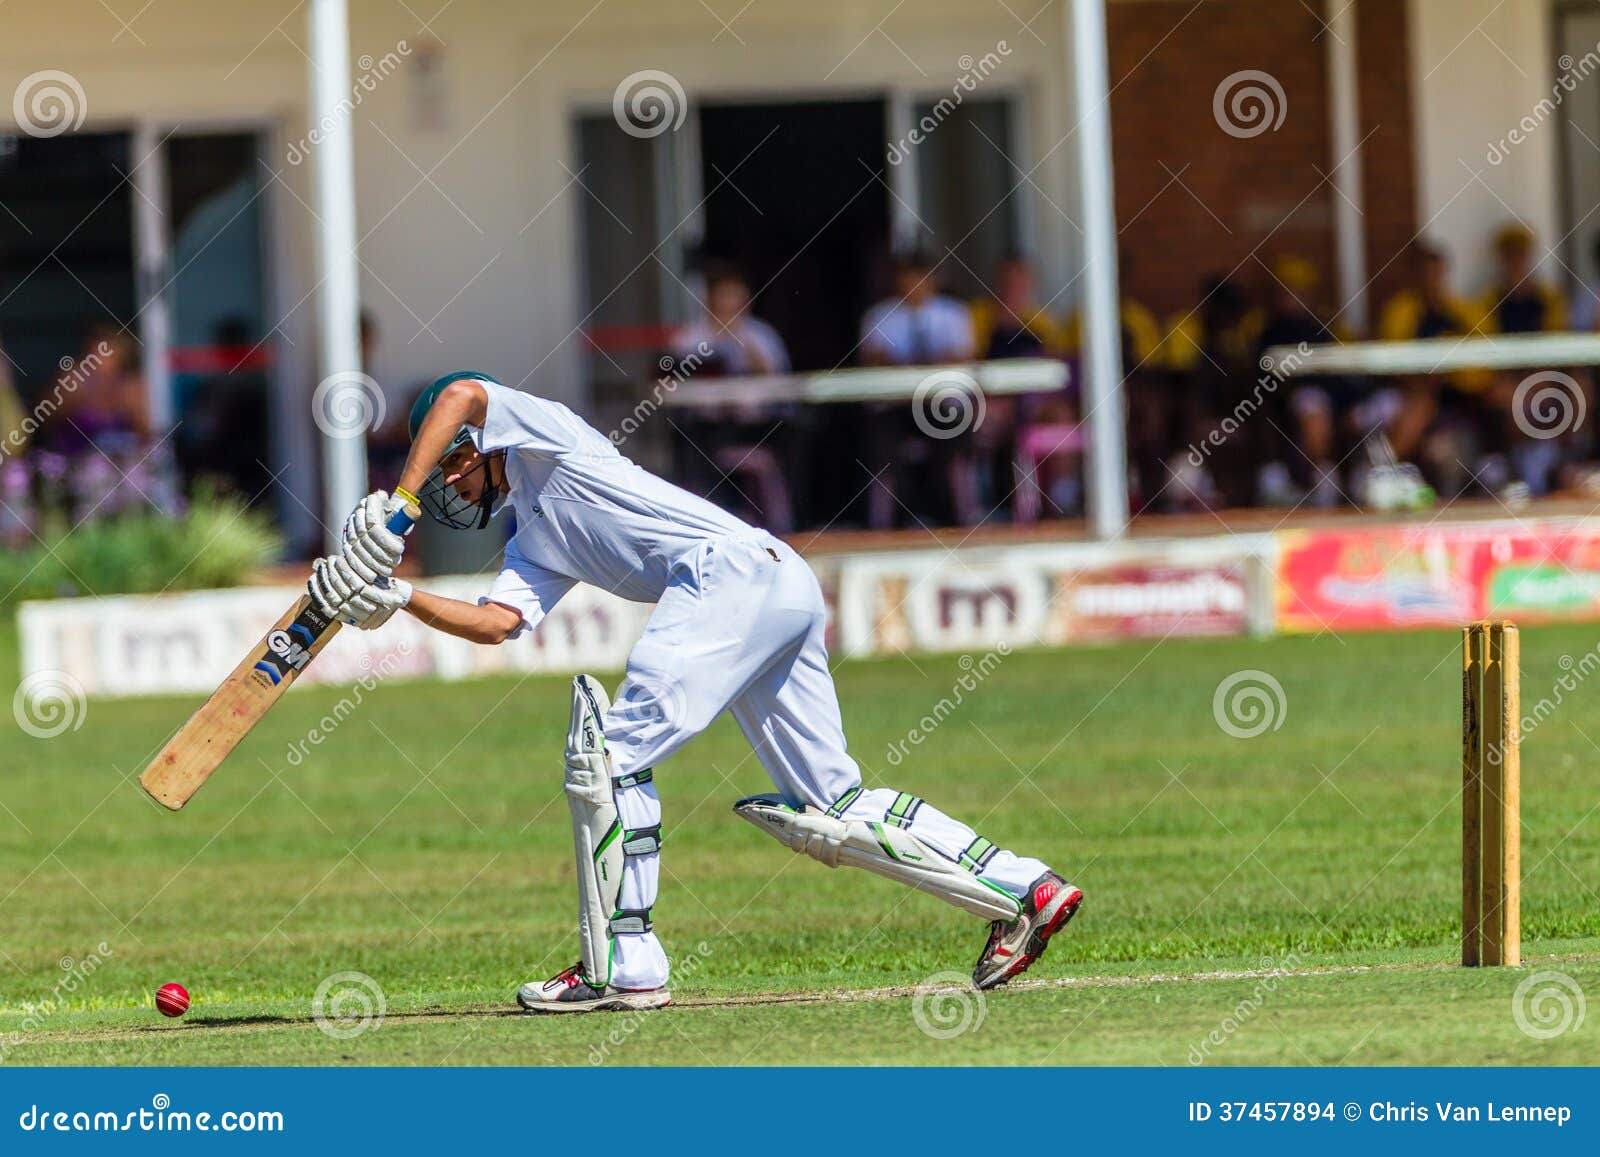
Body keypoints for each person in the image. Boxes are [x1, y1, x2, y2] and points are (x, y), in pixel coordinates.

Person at [305, 372, 1082, 1013]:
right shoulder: (531, 537)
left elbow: (461, 394)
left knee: (609, 759)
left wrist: (401, 503)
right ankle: (1027, 889)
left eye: (452, 462)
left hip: (723, 577)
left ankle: (624, 966)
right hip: (776, 580)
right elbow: (498, 622)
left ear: (486, 443)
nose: (447, 479)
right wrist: (399, 599)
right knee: (832, 804)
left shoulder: (546, 436)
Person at [669, 263, 795, 533]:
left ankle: (780, 526)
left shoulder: (761, 334)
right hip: (704, 429)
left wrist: (741, 341)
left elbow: (778, 381)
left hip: (755, 428)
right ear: (710, 299)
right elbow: (673, 380)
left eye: (736, 296)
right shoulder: (690, 337)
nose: (730, 303)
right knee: (689, 445)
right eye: (724, 295)